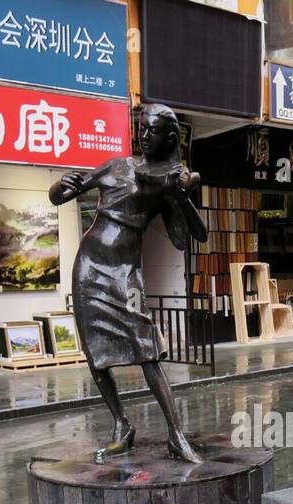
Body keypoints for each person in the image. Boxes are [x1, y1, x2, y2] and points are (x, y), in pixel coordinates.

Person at [49, 104, 207, 464]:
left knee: (147, 347)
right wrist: (62, 185)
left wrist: (181, 196)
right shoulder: (116, 165)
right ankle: (122, 424)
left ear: (169, 137)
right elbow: (60, 196)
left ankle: (175, 434)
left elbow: (194, 236)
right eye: (141, 129)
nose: (143, 135)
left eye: (151, 131)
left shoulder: (168, 178)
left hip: (127, 271)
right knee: (95, 352)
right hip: (89, 266)